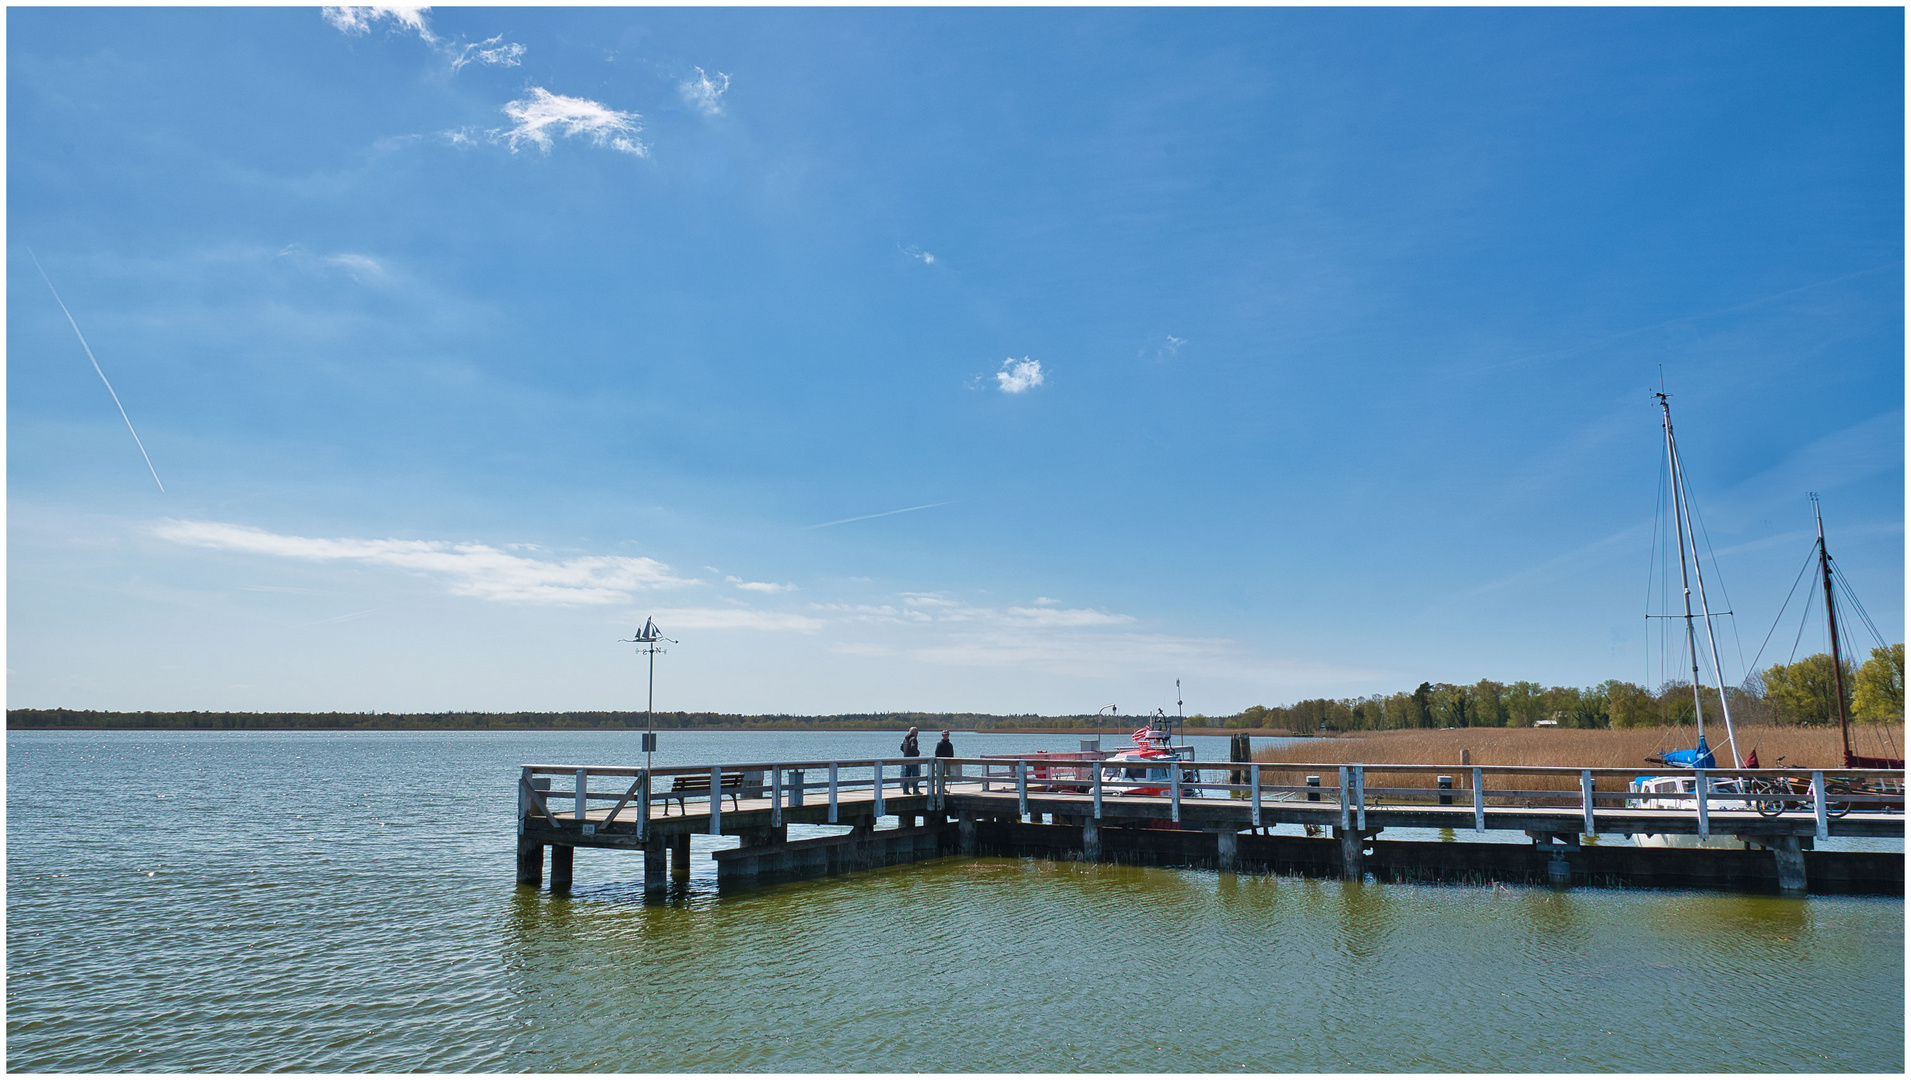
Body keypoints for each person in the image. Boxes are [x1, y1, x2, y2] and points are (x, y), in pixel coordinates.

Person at [900, 726, 921, 794]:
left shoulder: (905, 739)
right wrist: (917, 753)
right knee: (915, 775)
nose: (917, 734)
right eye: (917, 732)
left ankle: (905, 790)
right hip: (913, 760)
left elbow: (901, 747)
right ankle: (915, 790)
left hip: (906, 759)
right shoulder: (913, 739)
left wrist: (906, 753)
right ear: (914, 732)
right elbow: (913, 747)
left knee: (907, 775)